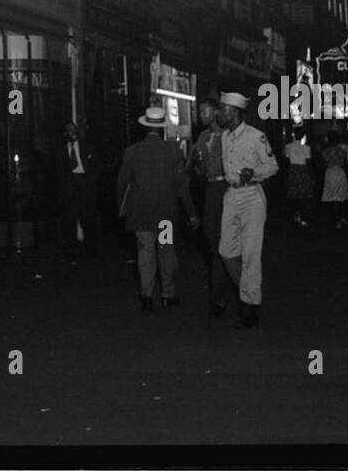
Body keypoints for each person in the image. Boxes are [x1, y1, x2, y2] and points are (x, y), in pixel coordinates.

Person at [117, 106, 198, 312]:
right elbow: (182, 186)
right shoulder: (173, 151)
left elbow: (121, 183)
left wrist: (121, 208)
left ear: (145, 127)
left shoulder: (132, 151)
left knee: (145, 253)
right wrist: (191, 212)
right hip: (165, 214)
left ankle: (146, 296)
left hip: (141, 213)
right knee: (166, 252)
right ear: (162, 127)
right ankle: (167, 295)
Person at [217, 91, 278, 327]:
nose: (221, 114)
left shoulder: (256, 137)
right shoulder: (224, 137)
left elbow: (272, 166)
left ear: (236, 113)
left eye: (225, 110)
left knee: (251, 254)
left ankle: (250, 305)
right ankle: (248, 290)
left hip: (252, 196)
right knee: (227, 252)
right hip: (231, 195)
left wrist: (255, 173)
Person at [187, 100, 231, 312]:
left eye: (204, 110)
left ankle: (218, 294)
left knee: (223, 242)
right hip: (211, 190)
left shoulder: (230, 135)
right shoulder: (203, 137)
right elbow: (199, 170)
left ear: (215, 112)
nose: (200, 114)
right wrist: (197, 163)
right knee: (211, 236)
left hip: (227, 188)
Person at [55, 119, 100, 260]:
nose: (72, 133)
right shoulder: (60, 151)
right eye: (69, 131)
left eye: (73, 130)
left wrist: (89, 180)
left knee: (88, 221)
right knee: (69, 222)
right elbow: (57, 171)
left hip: (85, 186)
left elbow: (97, 166)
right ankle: (71, 253)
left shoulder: (88, 147)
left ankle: (91, 251)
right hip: (69, 188)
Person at [320, 130, 348, 230]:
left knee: (332, 197)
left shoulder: (325, 151)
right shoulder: (342, 151)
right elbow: (345, 164)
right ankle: (341, 216)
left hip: (330, 173)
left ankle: (336, 219)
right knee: (341, 196)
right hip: (340, 172)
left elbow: (322, 164)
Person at [283, 129, 314, 228]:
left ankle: (296, 214)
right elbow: (308, 162)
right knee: (303, 194)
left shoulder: (288, 147)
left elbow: (286, 159)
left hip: (293, 170)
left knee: (294, 193)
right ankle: (303, 215)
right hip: (303, 171)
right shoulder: (306, 148)